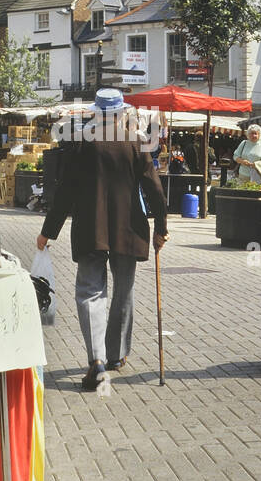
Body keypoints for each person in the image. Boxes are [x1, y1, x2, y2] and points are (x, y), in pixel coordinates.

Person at [37, 90, 169, 391]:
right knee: (124, 291)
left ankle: (96, 360)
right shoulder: (135, 141)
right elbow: (154, 187)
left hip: (90, 229)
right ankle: (116, 354)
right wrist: (161, 226)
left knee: (90, 293)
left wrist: (48, 232)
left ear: (96, 113)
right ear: (122, 113)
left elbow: (65, 190)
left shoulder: (81, 142)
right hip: (129, 229)